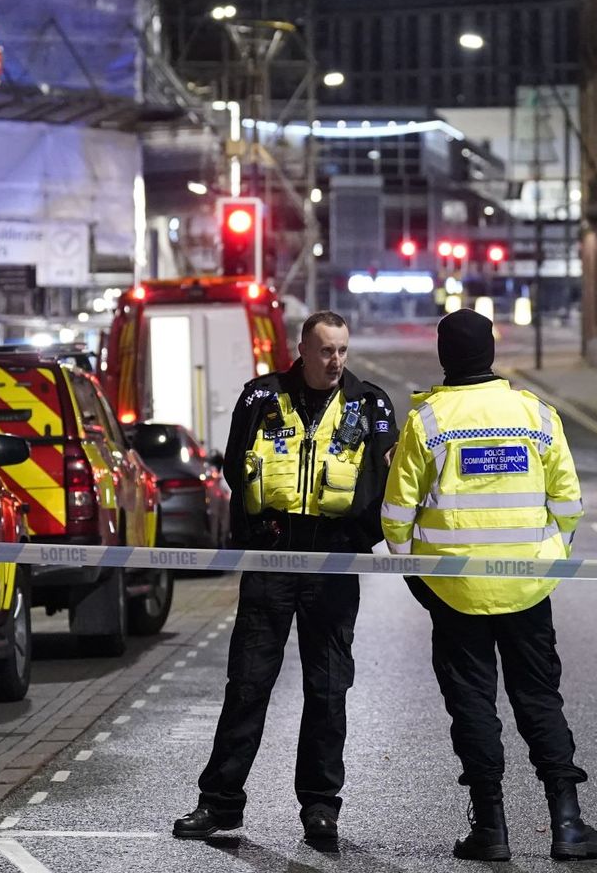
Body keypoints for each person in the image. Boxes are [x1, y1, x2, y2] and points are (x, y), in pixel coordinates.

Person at [382, 309, 597, 862]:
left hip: (456, 590)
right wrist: (550, 558)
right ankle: (568, 825)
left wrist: (419, 572)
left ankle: (490, 830)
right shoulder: (535, 414)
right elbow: (568, 503)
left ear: (444, 356)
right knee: (539, 698)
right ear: (491, 351)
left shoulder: (429, 421)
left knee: (471, 703)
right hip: (529, 587)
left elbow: (396, 515)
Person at [173, 310, 397, 850]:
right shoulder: (260, 397)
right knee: (248, 685)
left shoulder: (372, 404)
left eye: (342, 350)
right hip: (272, 560)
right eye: (325, 350)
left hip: (334, 563)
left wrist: (357, 537)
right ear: (302, 348)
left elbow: (384, 475)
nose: (336, 361)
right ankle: (220, 803)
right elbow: (235, 469)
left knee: (327, 690)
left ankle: (320, 809)